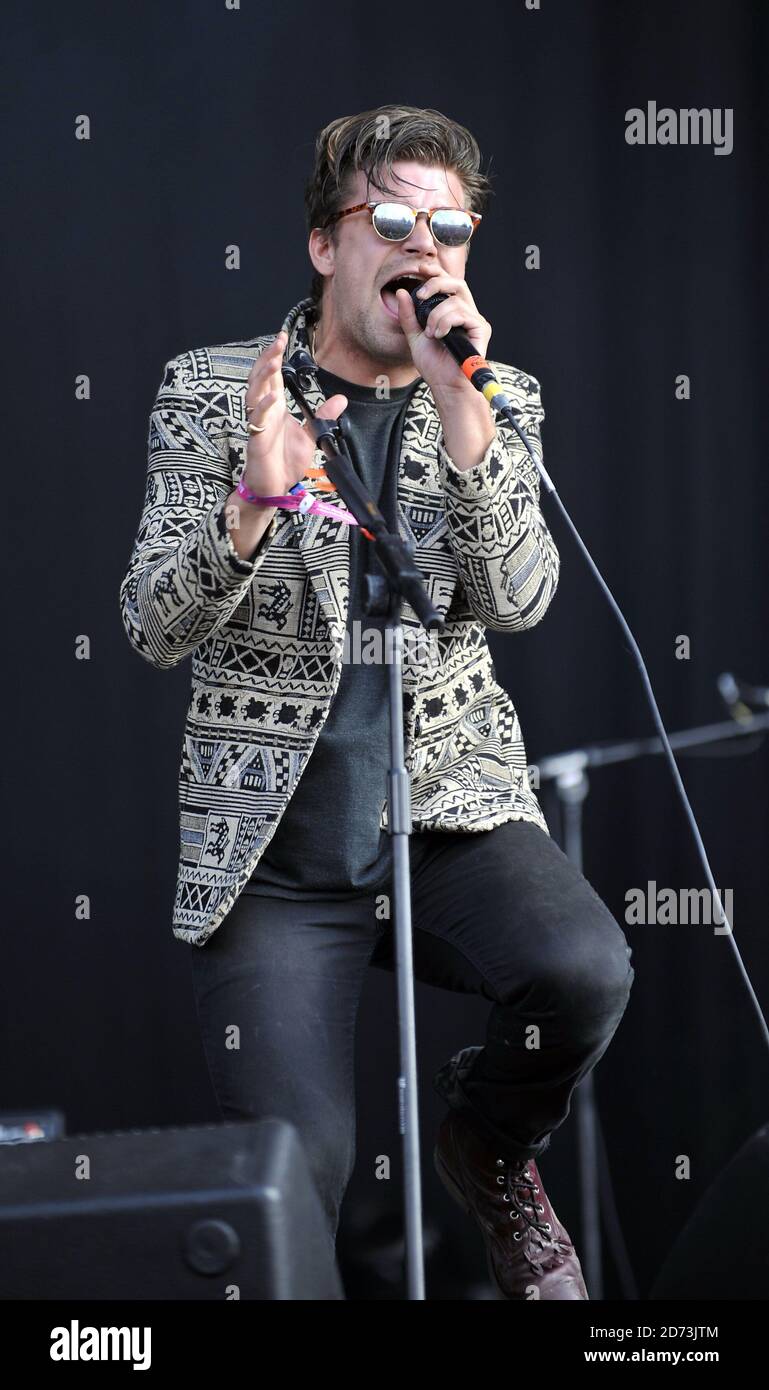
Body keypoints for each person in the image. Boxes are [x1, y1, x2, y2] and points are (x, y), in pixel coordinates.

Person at [119, 104, 634, 1300]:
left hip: (446, 811)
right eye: (392, 216)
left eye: (450, 225)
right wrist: (251, 501)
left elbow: (517, 600)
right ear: (323, 243)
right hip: (279, 856)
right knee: (300, 1179)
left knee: (583, 968)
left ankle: (488, 1147)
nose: (425, 246)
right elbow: (151, 622)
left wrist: (468, 426)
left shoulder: (498, 396)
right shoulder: (211, 391)